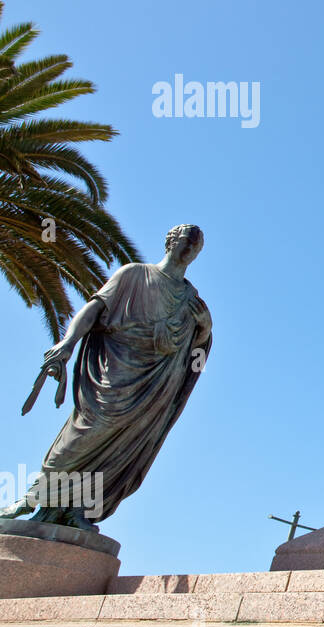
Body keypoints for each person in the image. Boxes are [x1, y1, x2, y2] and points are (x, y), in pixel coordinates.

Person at [2, 224, 212, 530]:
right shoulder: (133, 274)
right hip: (116, 372)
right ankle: (36, 497)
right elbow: (94, 309)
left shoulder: (191, 296)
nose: (190, 249)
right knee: (86, 432)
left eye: (196, 247)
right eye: (185, 241)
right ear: (170, 242)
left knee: (124, 447)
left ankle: (78, 510)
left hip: (156, 385)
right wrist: (67, 343)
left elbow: (197, 349)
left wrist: (204, 325)